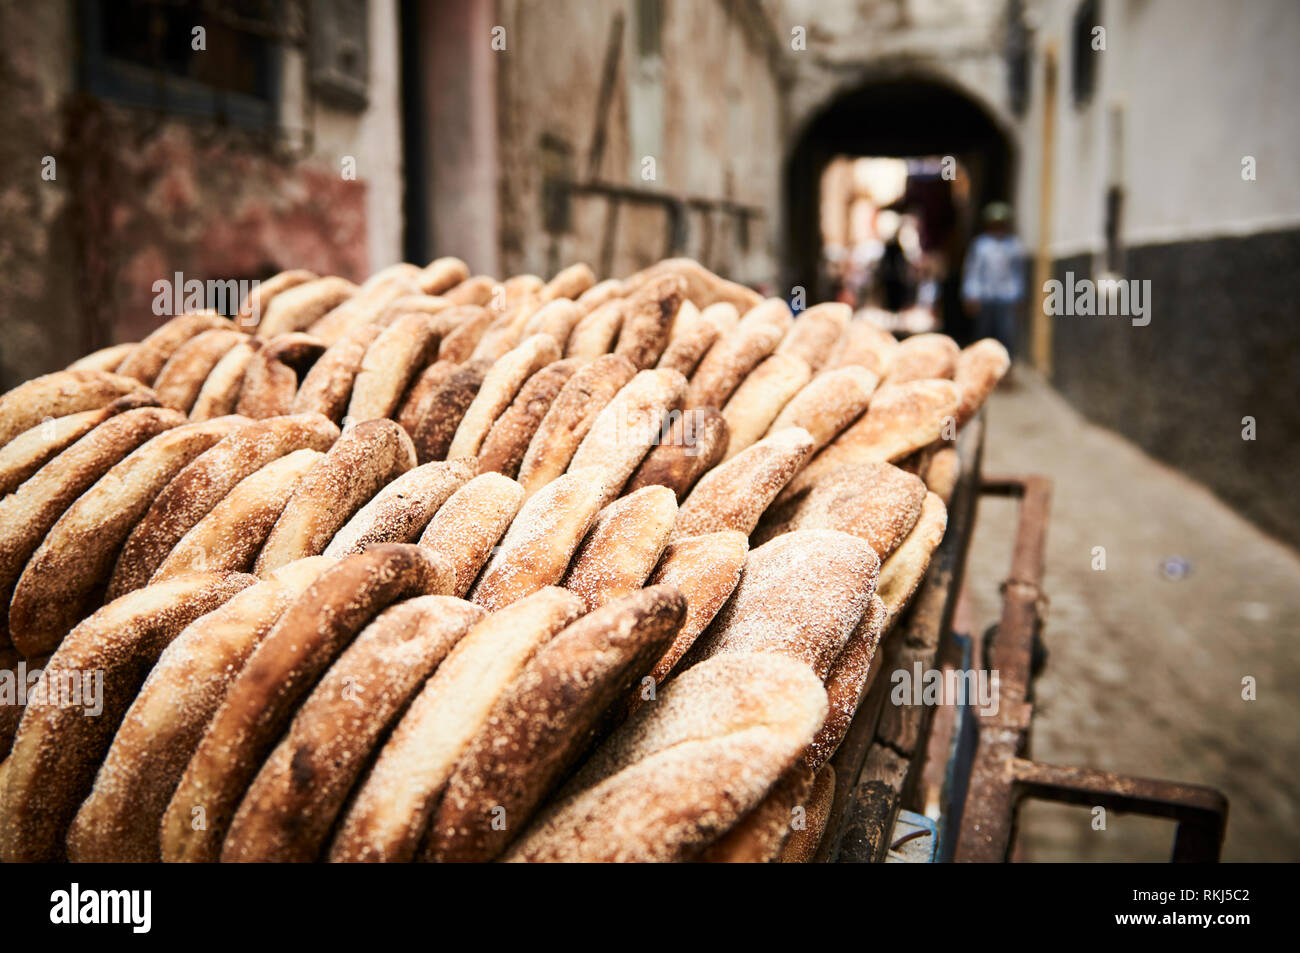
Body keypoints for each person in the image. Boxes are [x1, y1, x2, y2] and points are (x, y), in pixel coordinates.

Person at [962, 202, 1025, 358]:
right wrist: (971, 294)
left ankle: (1006, 369)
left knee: (1006, 335)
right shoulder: (981, 245)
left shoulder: (1014, 245)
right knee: (983, 334)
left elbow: (1017, 272)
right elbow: (973, 271)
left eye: (1001, 224)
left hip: (1006, 297)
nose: (998, 228)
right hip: (985, 296)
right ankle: (980, 365)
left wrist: (1019, 295)